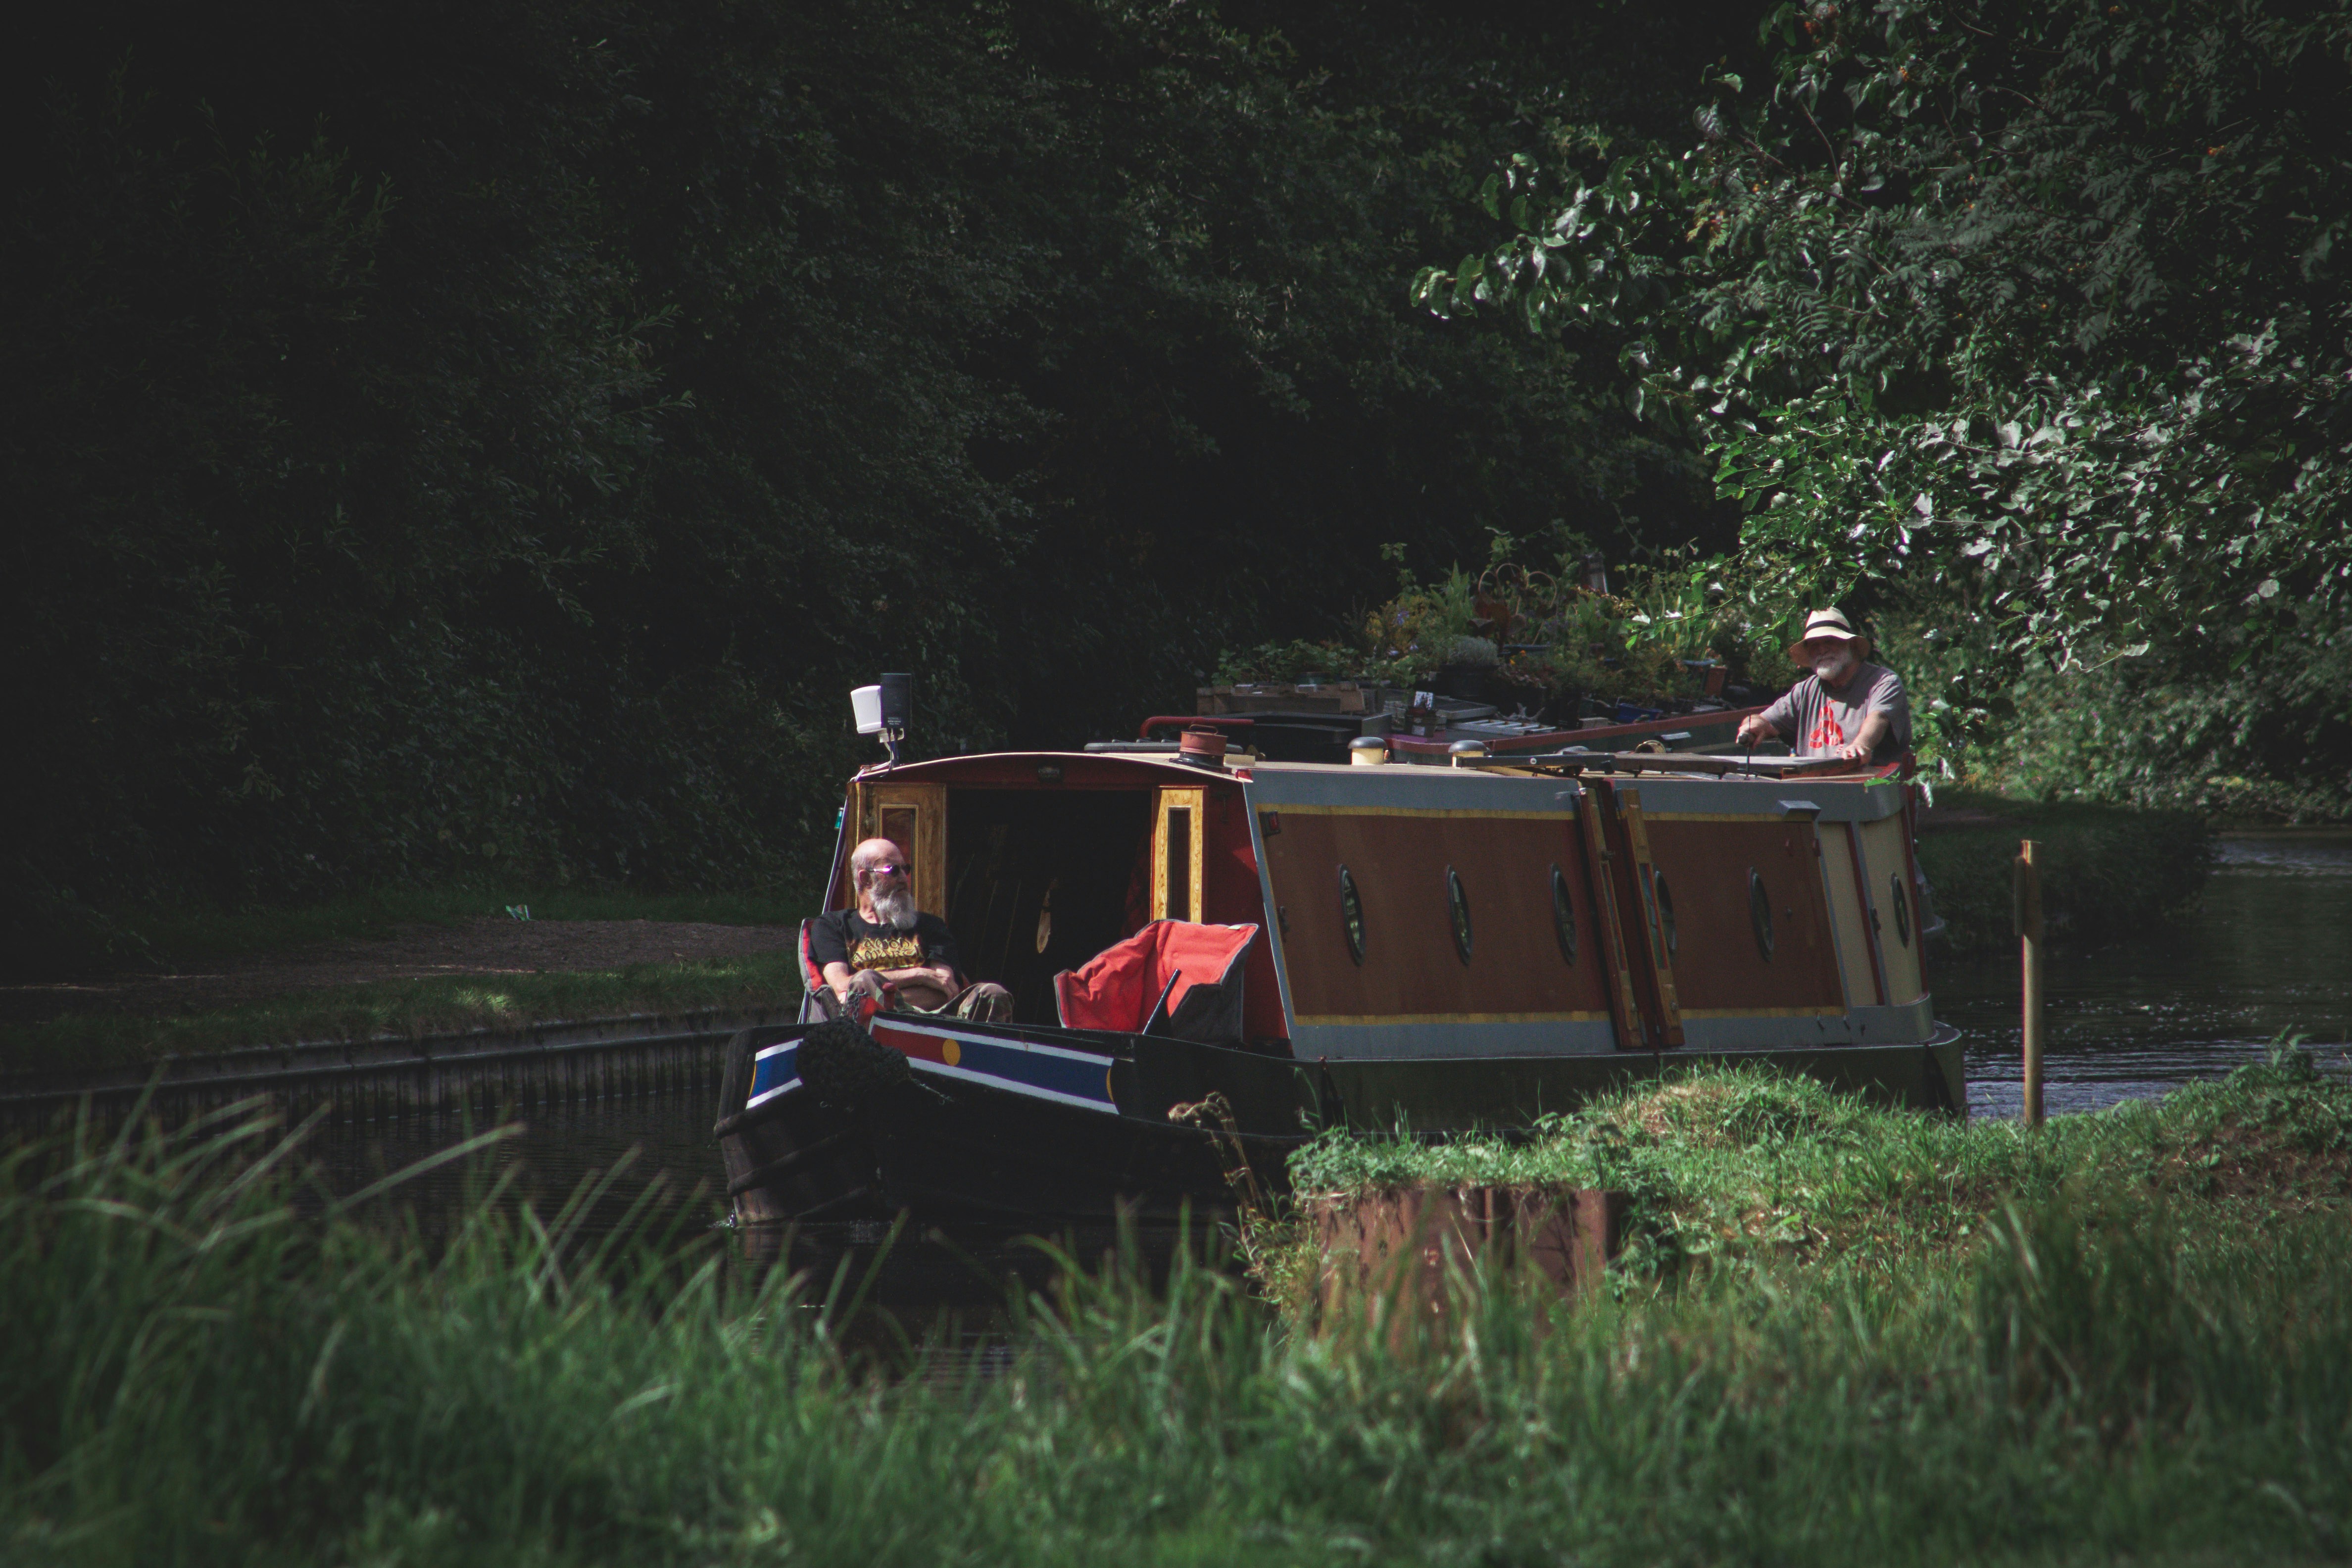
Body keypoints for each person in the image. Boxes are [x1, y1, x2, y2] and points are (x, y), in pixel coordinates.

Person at [810, 838, 1015, 1022]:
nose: (904, 879)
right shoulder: (832, 925)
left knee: (993, 993)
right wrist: (920, 975)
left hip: (936, 1017)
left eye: (905, 869)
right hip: (867, 1026)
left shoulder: (930, 926)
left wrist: (881, 994)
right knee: (865, 979)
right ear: (865, 879)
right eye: (893, 871)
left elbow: (945, 987)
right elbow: (844, 987)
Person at [1735, 607, 1913, 764]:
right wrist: (1753, 725)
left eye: (1829, 641)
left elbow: (1878, 718)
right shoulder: (1805, 691)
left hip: (1870, 791)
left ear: (1850, 644)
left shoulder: (1883, 682)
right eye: (1814, 645)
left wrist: (1861, 745)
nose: (1822, 650)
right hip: (1816, 790)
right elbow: (1766, 721)